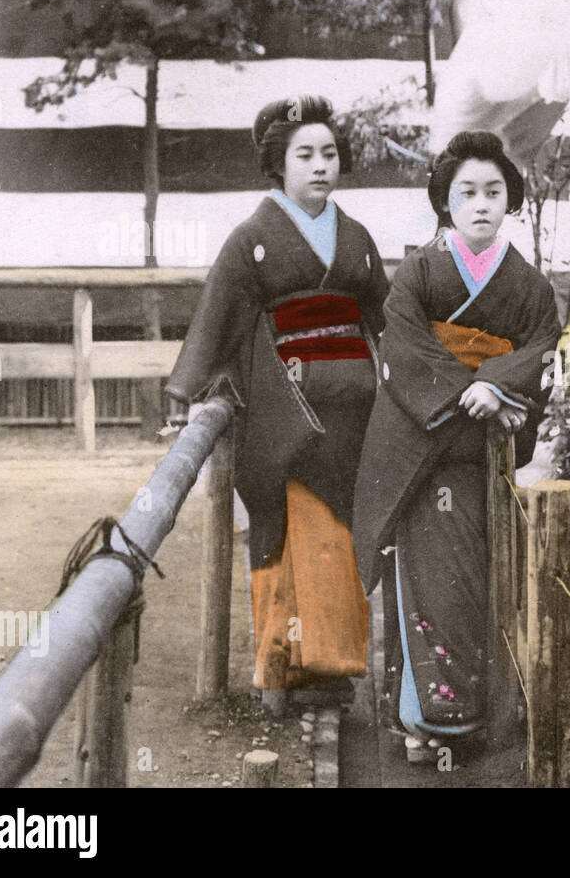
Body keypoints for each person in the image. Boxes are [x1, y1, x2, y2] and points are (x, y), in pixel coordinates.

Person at [166, 95, 390, 715]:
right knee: (283, 531)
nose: (322, 165)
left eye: (330, 153)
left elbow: (384, 319)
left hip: (353, 409)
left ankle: (330, 669)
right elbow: (219, 317)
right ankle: (280, 673)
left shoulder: (359, 240)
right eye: (306, 155)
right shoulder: (253, 239)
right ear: (278, 165)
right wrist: (191, 390)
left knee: (339, 536)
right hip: (283, 408)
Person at [351, 130, 561, 762]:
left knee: (477, 579)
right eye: (466, 192)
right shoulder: (417, 272)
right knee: (422, 580)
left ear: (510, 201)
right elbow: (404, 346)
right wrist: (470, 391)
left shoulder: (527, 286)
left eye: (493, 192)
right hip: (420, 450)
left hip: (480, 452)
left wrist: (495, 384)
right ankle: (422, 722)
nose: (480, 204)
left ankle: (473, 716)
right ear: (444, 200)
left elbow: (542, 343)